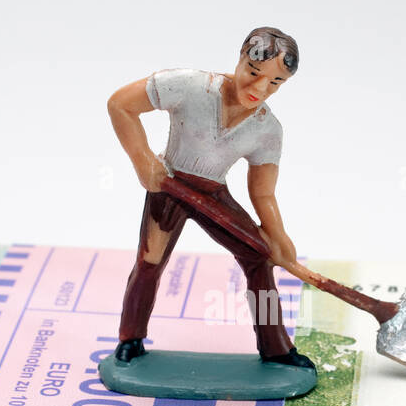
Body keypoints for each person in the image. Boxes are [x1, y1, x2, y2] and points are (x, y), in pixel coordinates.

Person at [107, 27, 315, 369]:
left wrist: (278, 236)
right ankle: (130, 338)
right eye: (253, 72)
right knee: (150, 261)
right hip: (168, 188)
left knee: (260, 257)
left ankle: (276, 347)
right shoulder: (190, 86)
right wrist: (143, 160)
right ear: (240, 59)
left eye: (275, 83)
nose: (260, 88)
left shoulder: (267, 129)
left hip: (213, 194)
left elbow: (263, 191)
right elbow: (120, 105)